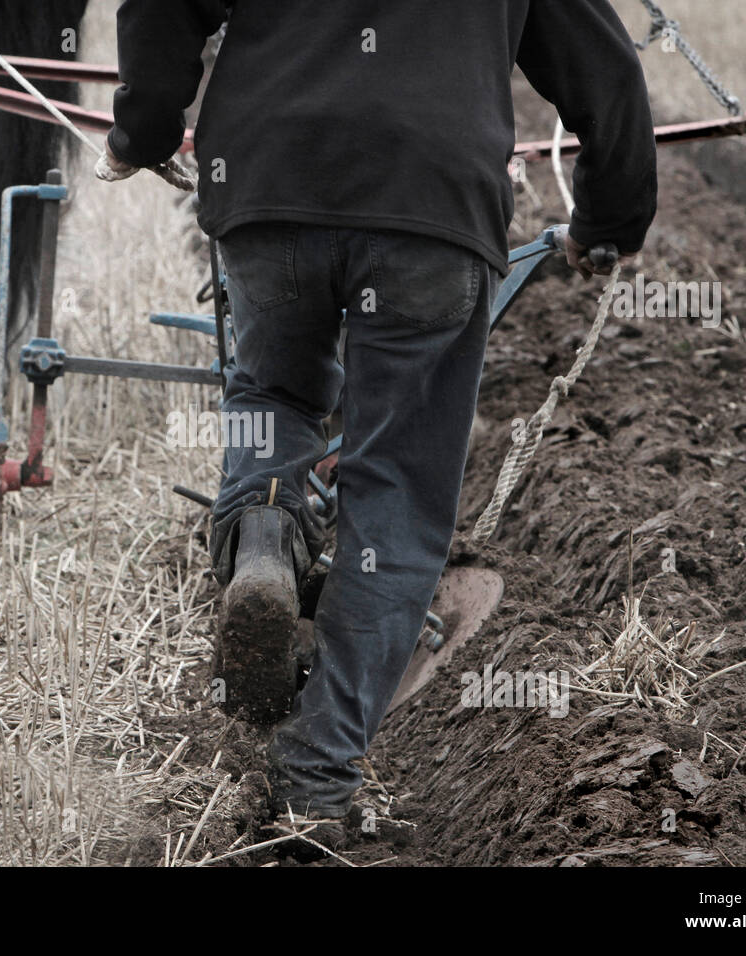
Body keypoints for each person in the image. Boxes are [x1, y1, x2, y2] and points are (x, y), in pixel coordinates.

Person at [98, 0, 657, 824]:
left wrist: (141, 134)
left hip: (269, 179)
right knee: (395, 487)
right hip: (432, 206)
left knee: (274, 391)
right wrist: (609, 219)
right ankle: (316, 776)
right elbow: (604, 68)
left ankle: (265, 528)